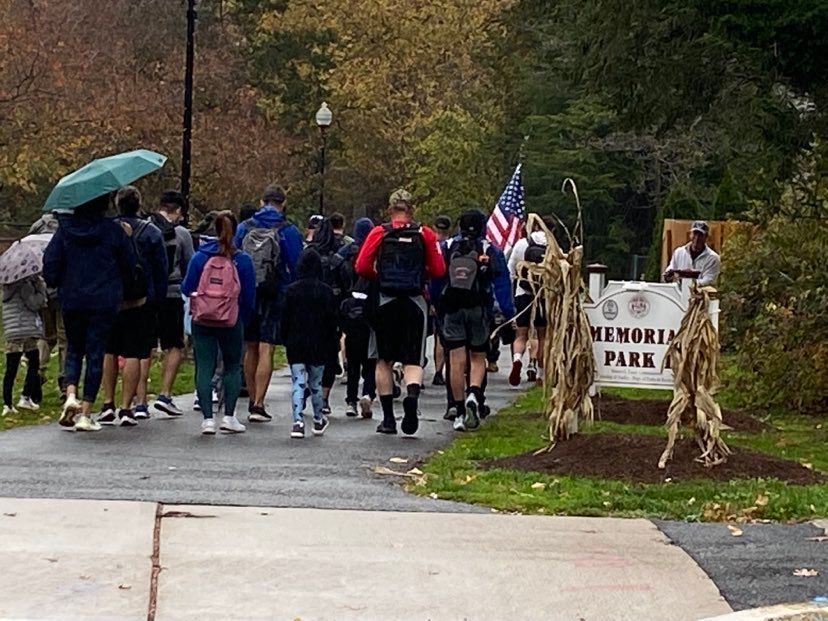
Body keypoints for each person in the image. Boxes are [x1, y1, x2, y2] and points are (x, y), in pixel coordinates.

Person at [355, 189, 446, 436]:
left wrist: (381, 275)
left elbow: (361, 266)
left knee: (383, 360)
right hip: (415, 301)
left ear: (390, 209)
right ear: (411, 209)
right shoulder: (424, 233)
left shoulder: (379, 233)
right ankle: (412, 396)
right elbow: (438, 269)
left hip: (385, 301)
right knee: (413, 359)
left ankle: (387, 420)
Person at [43, 193, 137, 432]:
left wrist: (58, 282)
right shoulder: (113, 231)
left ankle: (71, 393)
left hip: (72, 298)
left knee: (74, 347)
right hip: (103, 300)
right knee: (96, 353)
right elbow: (129, 265)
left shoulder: (65, 231)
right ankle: (86, 413)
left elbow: (50, 265)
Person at [438, 210, 515, 431]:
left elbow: (436, 276)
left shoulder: (448, 247)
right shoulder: (490, 249)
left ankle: (459, 410)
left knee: (456, 359)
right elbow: (502, 283)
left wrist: (437, 303)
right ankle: (474, 393)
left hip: (452, 306)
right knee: (478, 356)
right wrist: (509, 314)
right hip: (479, 306)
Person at [234, 184, 303, 423]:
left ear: (262, 202)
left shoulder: (245, 227)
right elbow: (296, 265)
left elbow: (235, 256)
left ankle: (251, 396)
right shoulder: (288, 230)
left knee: (250, 346)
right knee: (267, 346)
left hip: (248, 291)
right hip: (276, 292)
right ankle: (259, 403)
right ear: (282, 204)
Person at [182, 212, 256, 435]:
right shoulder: (242, 259)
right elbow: (250, 295)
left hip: (203, 319)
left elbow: (187, 288)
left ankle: (207, 420)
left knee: (204, 366)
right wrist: (243, 316)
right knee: (232, 367)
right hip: (231, 319)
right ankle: (229, 417)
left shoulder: (200, 257)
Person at [99, 186, 168, 426]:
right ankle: (127, 406)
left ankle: (107, 402)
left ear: (117, 204)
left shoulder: (106, 229)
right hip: (140, 301)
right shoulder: (151, 232)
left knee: (109, 351)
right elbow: (161, 270)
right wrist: (157, 301)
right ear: (138, 204)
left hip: (109, 299)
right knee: (134, 353)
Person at [281, 248, 339, 438]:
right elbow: (332, 322)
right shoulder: (326, 291)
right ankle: (317, 418)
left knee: (298, 382)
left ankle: (297, 422)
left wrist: (285, 338)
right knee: (315, 383)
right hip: (319, 343)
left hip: (296, 342)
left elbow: (285, 319)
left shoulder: (291, 291)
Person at [149, 190, 195, 417]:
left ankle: (138, 402)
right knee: (175, 345)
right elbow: (190, 265)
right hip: (172, 293)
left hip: (146, 296)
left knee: (142, 348)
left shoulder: (145, 227)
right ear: (177, 210)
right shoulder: (182, 234)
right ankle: (164, 394)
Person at [334, 217, 377, 418]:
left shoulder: (346, 253)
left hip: (350, 310)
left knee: (353, 362)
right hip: (369, 312)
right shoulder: (374, 253)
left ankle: (351, 400)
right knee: (371, 360)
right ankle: (368, 392)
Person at [307, 217, 347, 415]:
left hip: (308, 311)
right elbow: (345, 285)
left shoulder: (306, 255)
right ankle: (323, 397)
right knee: (330, 355)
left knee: (309, 351)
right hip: (331, 312)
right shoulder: (337, 259)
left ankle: (309, 384)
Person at [507, 220, 552, 386]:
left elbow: (510, 270)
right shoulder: (553, 246)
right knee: (543, 337)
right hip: (544, 295)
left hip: (523, 293)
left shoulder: (521, 244)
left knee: (521, 334)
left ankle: (517, 359)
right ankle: (541, 374)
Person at [28, 212, 66, 398]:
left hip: (42, 289)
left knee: (45, 335)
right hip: (61, 290)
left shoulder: (36, 227)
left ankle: (38, 372)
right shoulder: (66, 230)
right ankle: (65, 382)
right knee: (64, 338)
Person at [2, 274, 47, 415]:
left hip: (12, 330)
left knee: (11, 368)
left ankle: (7, 403)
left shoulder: (6, 285)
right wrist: (40, 288)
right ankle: (25, 396)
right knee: (34, 363)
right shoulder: (25, 284)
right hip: (26, 328)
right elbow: (34, 304)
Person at [430, 214, 453, 386]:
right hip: (449, 294)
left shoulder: (430, 245)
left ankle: (435, 370)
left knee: (434, 334)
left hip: (432, 293)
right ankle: (443, 369)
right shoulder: (451, 247)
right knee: (445, 335)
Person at [663, 220, 721, 287]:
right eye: (695, 233)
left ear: (706, 237)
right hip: (678, 294)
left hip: (701, 295)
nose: (697, 238)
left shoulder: (713, 258)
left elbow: (709, 280)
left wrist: (688, 284)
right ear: (690, 234)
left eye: (700, 235)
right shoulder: (679, 253)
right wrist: (668, 275)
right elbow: (671, 268)